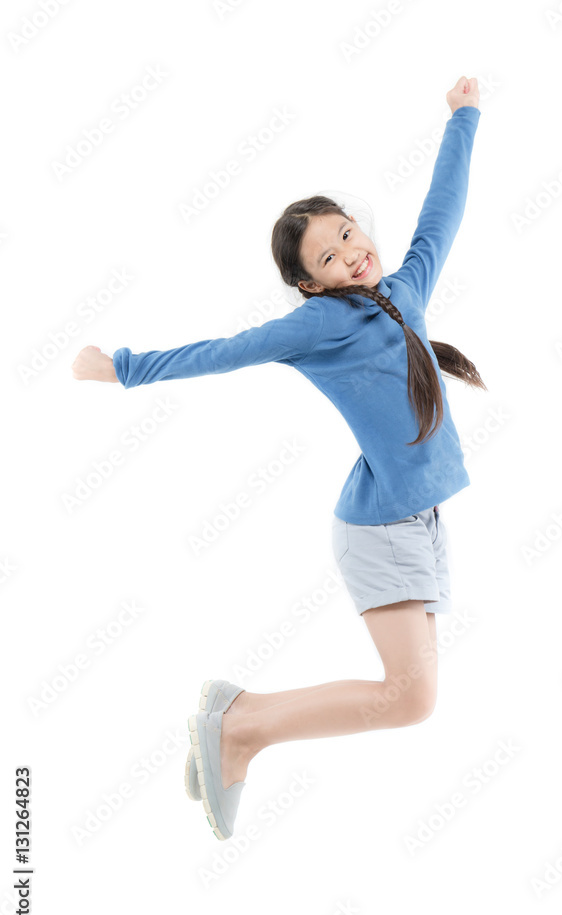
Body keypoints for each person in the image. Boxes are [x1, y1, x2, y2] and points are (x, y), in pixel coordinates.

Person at [71, 75, 485, 841]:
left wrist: (463, 116)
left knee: (414, 695)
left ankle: (240, 717)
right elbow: (225, 351)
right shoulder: (315, 327)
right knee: (411, 699)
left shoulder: (405, 292)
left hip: (418, 519)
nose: (350, 254)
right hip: (382, 528)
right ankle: (240, 727)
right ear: (308, 284)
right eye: (329, 257)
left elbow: (441, 212)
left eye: (349, 235)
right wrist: (120, 366)